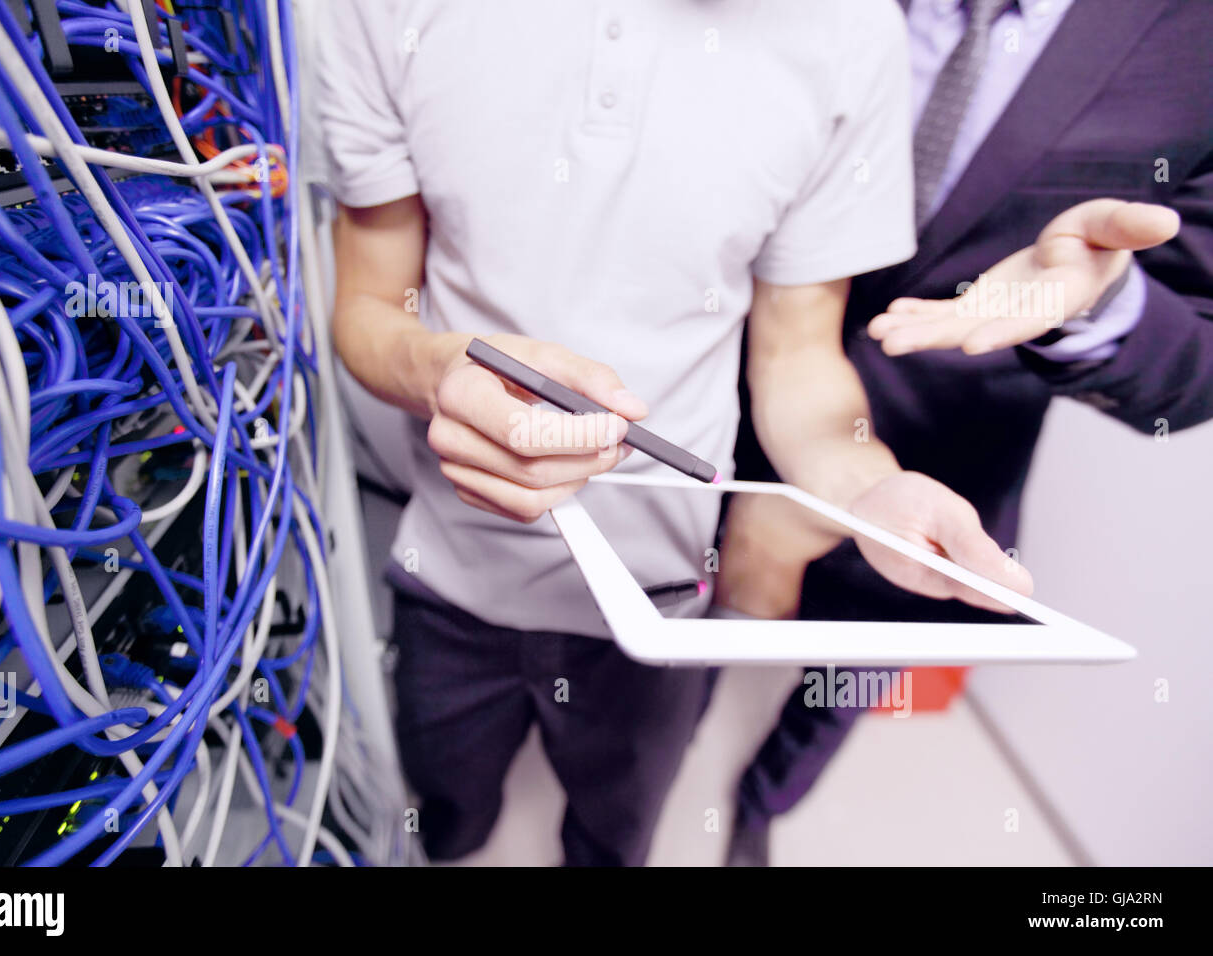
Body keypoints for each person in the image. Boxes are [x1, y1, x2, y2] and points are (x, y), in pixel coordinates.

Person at [316, 0, 1032, 866]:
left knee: (617, 831)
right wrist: (435, 370)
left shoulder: (854, 30)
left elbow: (797, 357)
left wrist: (862, 487)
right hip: (447, 568)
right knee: (448, 812)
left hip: (662, 592)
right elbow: (366, 303)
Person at [721, 0, 1213, 866]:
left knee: (847, 680)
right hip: (732, 392)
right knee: (698, 621)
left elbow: (1196, 362)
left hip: (953, 457)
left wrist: (1096, 303)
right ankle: (670, 735)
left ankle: (761, 804)